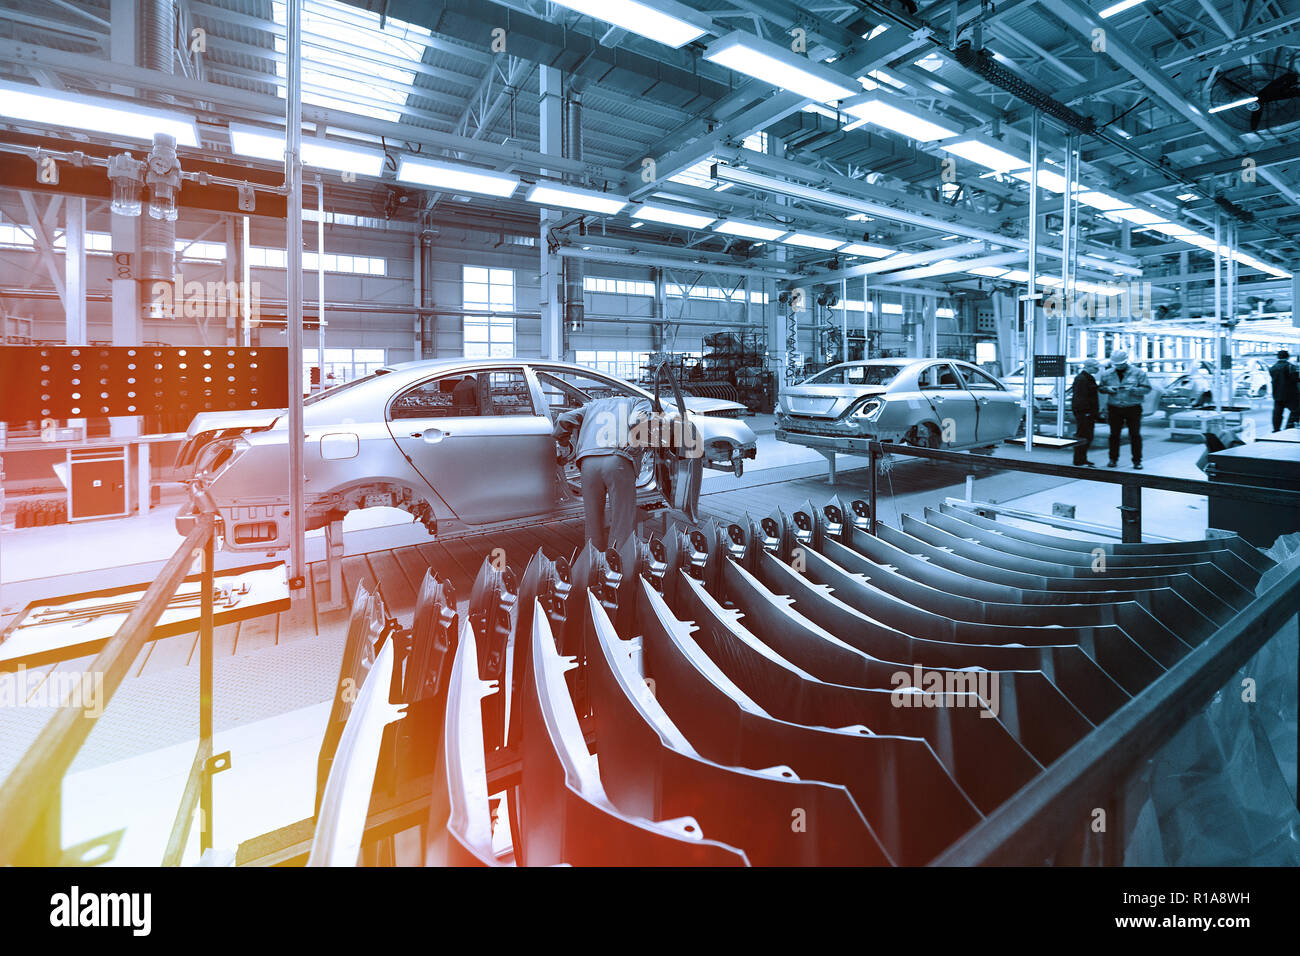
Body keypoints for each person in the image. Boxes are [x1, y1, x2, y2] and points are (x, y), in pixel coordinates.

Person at [553, 394, 655, 551]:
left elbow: (564, 419)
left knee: (593, 520)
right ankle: (620, 567)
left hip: (588, 463)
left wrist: (564, 444)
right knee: (622, 521)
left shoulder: (592, 405)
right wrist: (635, 444)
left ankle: (594, 564)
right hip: (618, 461)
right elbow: (637, 421)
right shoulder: (639, 401)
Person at [1099, 350, 1151, 469]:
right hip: (1114, 408)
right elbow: (1101, 388)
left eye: (1120, 364)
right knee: (1114, 435)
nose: (1118, 366)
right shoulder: (1107, 374)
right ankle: (1113, 459)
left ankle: (1137, 461)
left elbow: (1147, 388)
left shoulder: (1138, 373)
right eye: (1116, 364)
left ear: (1126, 361)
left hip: (1133, 407)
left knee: (1135, 435)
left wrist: (1135, 390)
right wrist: (1108, 389)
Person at [1070, 358, 1101, 466]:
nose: (1098, 369)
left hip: (1088, 413)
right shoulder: (1081, 379)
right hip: (1084, 413)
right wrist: (1085, 412)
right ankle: (1078, 460)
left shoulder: (1088, 378)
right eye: (1096, 367)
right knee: (1083, 435)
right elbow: (1080, 398)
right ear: (1088, 367)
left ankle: (1082, 458)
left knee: (1087, 436)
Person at [1270, 349, 1299, 431]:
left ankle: (1276, 430)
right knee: (1296, 411)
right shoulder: (1291, 367)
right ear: (1288, 357)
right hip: (1290, 395)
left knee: (1277, 413)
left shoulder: (1272, 368)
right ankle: (1289, 428)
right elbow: (1295, 379)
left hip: (1277, 395)